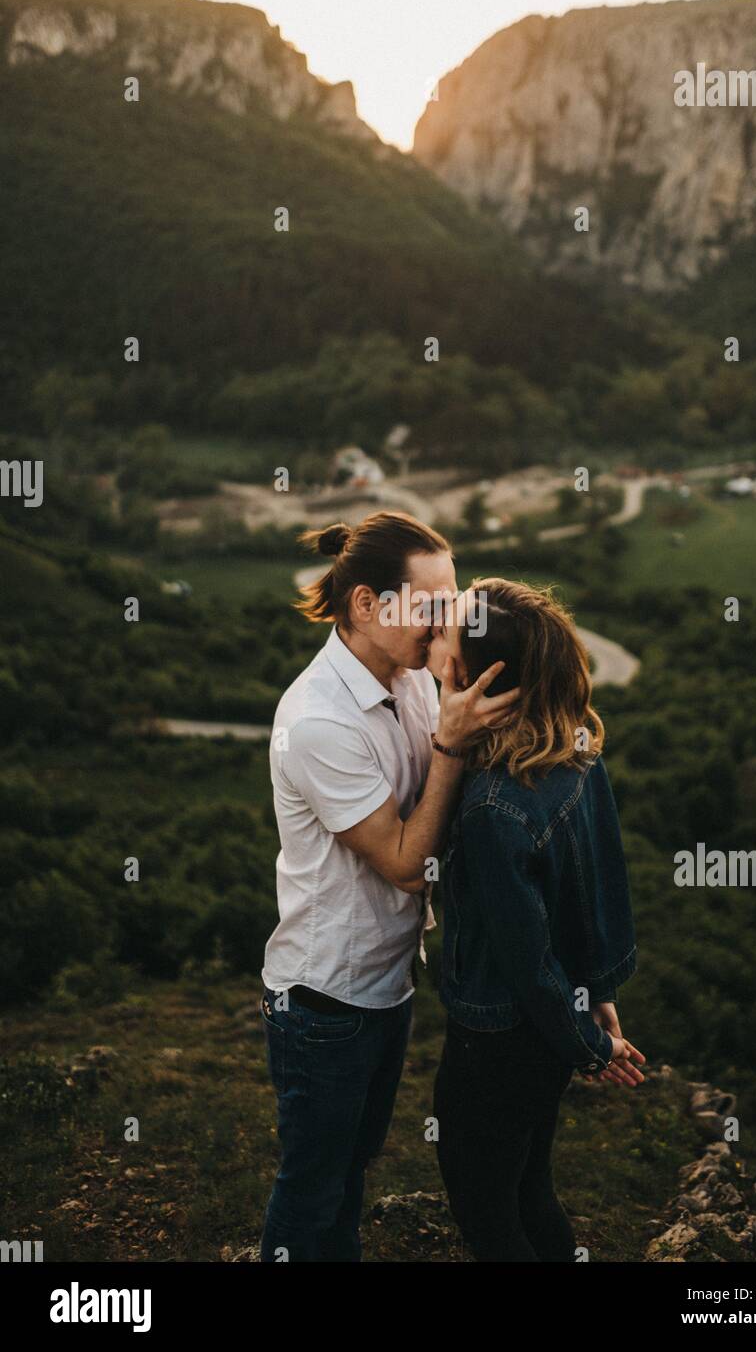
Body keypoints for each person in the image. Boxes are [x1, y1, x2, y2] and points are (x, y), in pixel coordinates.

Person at [259, 513, 518, 1262]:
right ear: (367, 606)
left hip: (388, 985)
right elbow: (407, 860)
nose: (450, 622)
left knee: (351, 1171)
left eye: (455, 601)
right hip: (324, 1001)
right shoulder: (316, 721)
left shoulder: (406, 678)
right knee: (312, 1189)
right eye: (432, 606)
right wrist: (450, 741)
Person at [425, 579, 645, 1263]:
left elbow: (525, 959)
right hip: (545, 1038)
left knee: (484, 1207)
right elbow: (595, 890)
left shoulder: (494, 806)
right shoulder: (576, 749)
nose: (431, 632)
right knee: (529, 1185)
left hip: (497, 1036)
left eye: (446, 632)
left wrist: (587, 1040)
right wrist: (599, 998)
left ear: (479, 675)